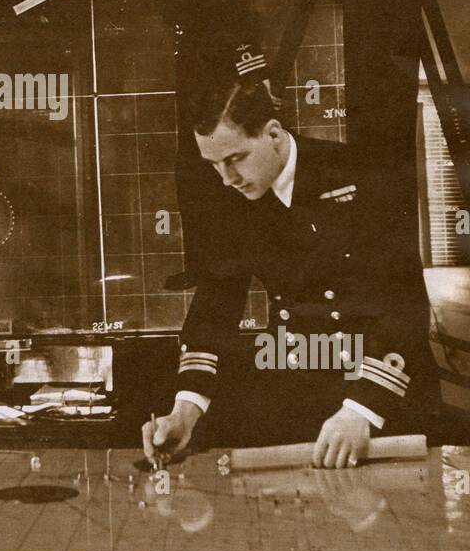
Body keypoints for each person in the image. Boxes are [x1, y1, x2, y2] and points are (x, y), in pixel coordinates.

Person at [142, 76, 439, 469]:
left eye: (235, 158)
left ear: (273, 134)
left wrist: (360, 409)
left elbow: (404, 302)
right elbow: (216, 302)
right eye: (214, 165)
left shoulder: (361, 174)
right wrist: (186, 409)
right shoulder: (234, 197)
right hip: (301, 384)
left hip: (383, 394)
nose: (227, 178)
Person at [88, 0, 262, 285]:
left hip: (213, 81)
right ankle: (213, 264)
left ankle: (220, 265)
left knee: (204, 168)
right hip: (207, 80)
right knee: (203, 169)